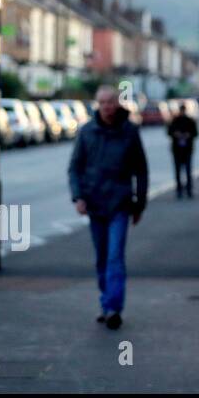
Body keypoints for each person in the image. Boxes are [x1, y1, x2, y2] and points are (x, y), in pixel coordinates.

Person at [67, 85, 148, 330]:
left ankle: (114, 307)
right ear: (97, 105)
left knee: (115, 257)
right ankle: (106, 303)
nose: (107, 107)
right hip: (94, 203)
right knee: (102, 257)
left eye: (111, 102)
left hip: (120, 204)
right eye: (102, 103)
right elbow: (75, 168)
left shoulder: (129, 132)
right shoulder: (87, 132)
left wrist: (139, 204)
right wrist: (78, 197)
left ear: (118, 104)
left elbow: (141, 170)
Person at [167, 101, 199, 198]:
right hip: (177, 149)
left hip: (187, 149)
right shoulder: (175, 120)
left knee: (187, 170)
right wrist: (176, 134)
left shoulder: (190, 121)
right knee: (179, 171)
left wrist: (188, 135)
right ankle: (180, 190)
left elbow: (195, 133)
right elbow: (169, 132)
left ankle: (188, 189)